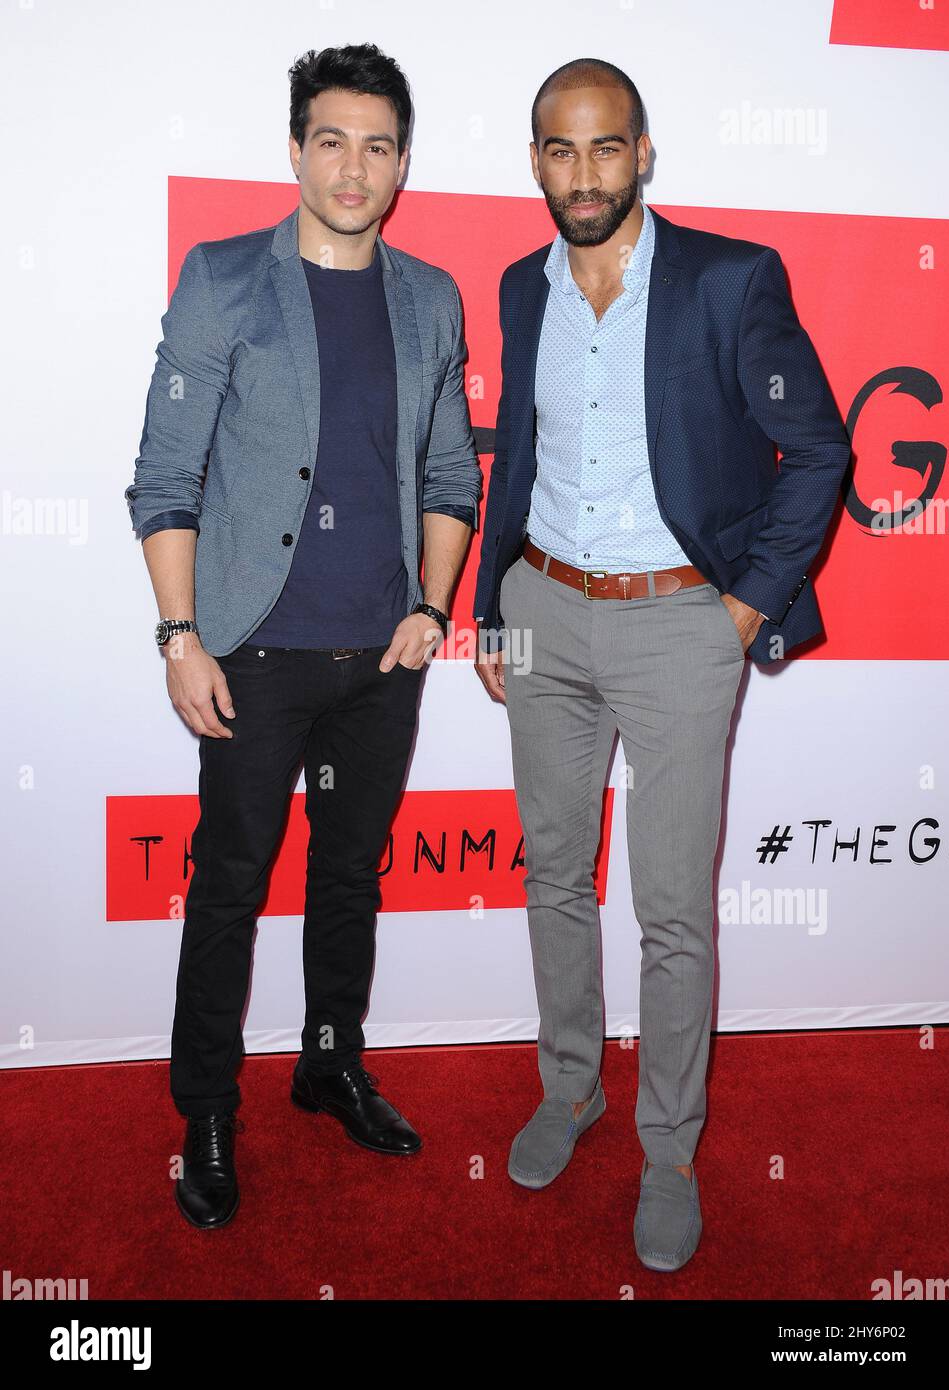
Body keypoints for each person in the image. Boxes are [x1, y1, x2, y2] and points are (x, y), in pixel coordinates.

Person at [473, 57, 849, 1271]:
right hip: (542, 606)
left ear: (642, 153)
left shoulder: (728, 279)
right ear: (535, 163)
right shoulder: (519, 287)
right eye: (559, 150)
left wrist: (740, 608)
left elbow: (817, 450)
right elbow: (515, 455)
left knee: (671, 911)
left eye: (605, 147)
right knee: (551, 876)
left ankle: (670, 1149)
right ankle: (569, 1084)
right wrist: (491, 604)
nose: (582, 174)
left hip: (679, 620)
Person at [125, 43, 481, 1228]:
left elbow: (450, 471)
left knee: (347, 878)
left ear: (402, 163)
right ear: (293, 149)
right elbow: (165, 476)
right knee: (228, 885)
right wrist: (180, 635)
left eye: (377, 146)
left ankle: (329, 1062)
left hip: (380, 657)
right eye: (331, 141)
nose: (353, 168)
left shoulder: (430, 298)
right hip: (251, 655)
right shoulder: (223, 279)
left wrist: (430, 607)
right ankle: (206, 1108)